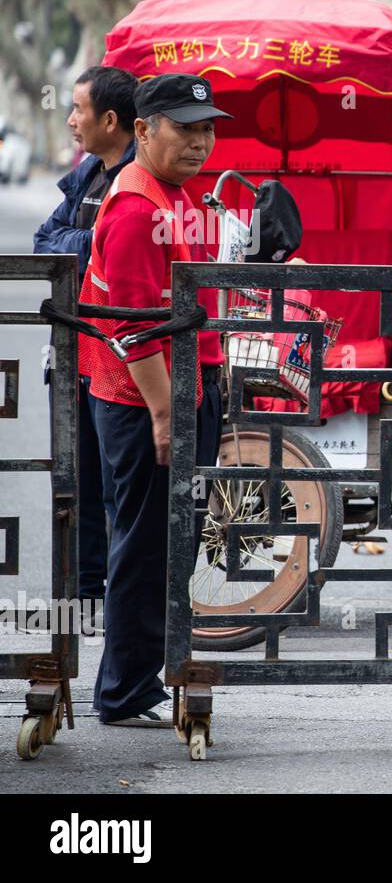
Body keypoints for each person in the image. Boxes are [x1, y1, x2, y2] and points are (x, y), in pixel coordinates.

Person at [80, 74, 229, 726]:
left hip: (172, 388)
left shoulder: (169, 192)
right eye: (185, 128)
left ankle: (137, 678)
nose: (200, 141)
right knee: (147, 545)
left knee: (166, 541)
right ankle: (125, 690)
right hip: (146, 400)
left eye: (207, 129)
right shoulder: (140, 207)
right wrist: (169, 415)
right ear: (142, 130)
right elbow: (133, 330)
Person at [33, 66, 139, 602]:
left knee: (117, 483)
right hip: (74, 345)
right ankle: (86, 590)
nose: (72, 120)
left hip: (117, 353)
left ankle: (117, 593)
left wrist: (87, 241)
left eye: (79, 110)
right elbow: (43, 240)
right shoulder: (87, 174)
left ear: (111, 119)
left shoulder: (137, 181)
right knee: (74, 478)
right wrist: (92, 237)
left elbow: (108, 249)